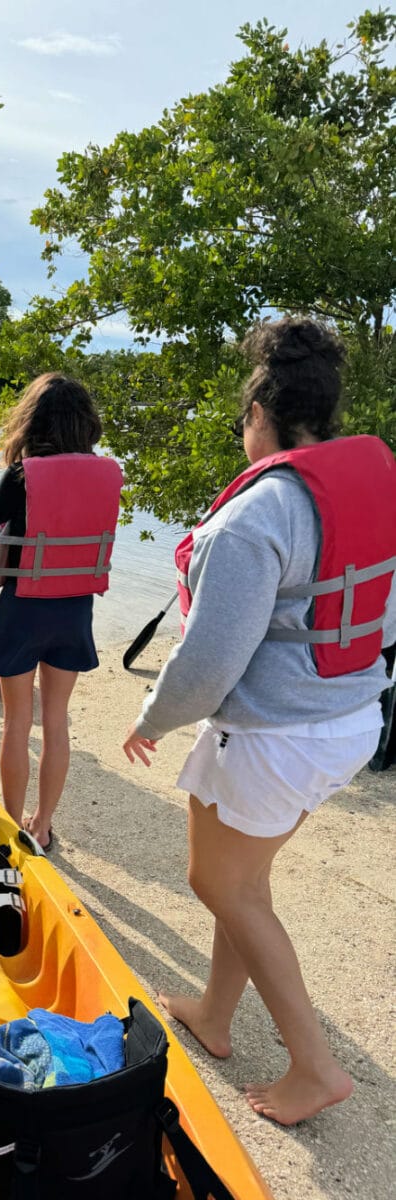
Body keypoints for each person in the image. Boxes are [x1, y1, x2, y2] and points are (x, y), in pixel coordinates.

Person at [122, 317, 396, 1126]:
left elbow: (207, 666)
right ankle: (214, 1012)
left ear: (259, 414)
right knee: (247, 878)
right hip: (349, 718)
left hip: (277, 734)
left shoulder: (255, 517)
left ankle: (313, 1068)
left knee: (220, 882)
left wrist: (151, 719)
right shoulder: (378, 482)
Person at [0, 373, 123, 851]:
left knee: (17, 723)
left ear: (31, 421)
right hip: (74, 611)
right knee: (57, 720)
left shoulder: (21, 475)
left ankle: (12, 824)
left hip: (23, 609)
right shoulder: (106, 475)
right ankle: (43, 824)